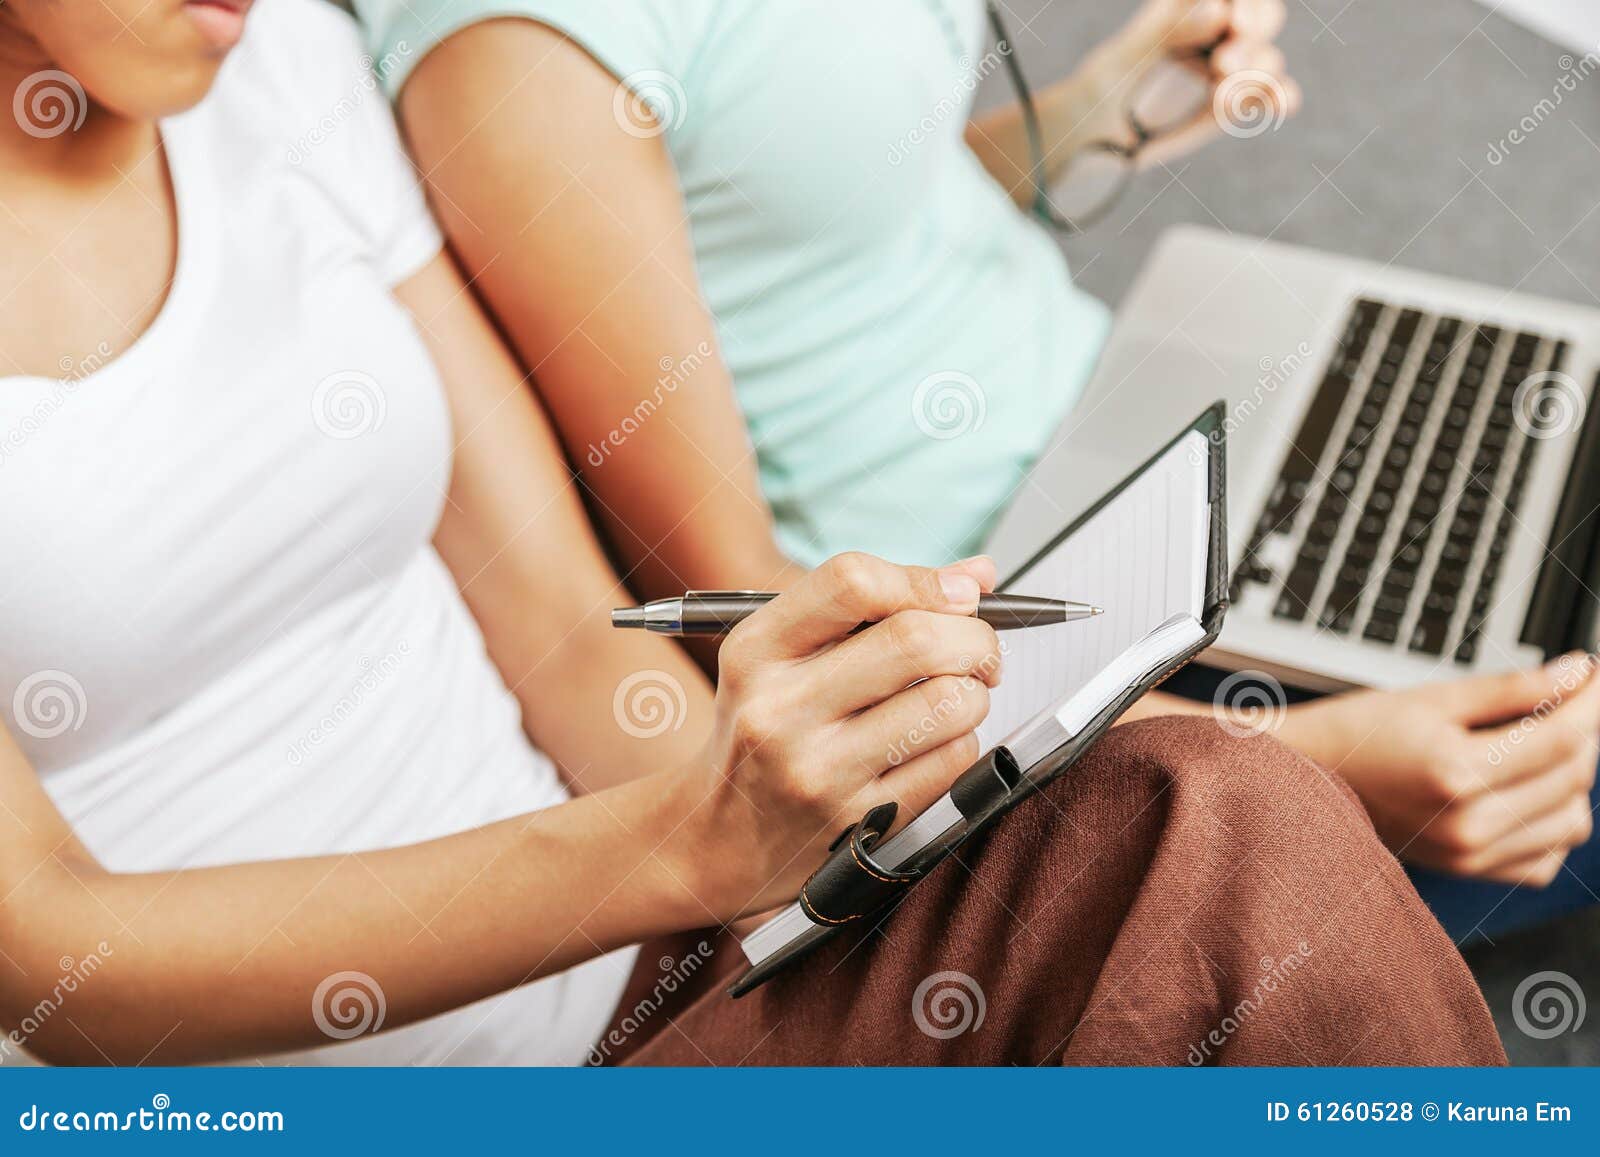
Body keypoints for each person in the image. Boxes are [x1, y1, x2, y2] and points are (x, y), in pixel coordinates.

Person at [0, 0, 1503, 1066]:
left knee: (1205, 817)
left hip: (649, 947)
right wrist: (687, 847)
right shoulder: (493, 52)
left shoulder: (277, 71)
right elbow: (65, 979)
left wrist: (829, 821)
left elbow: (555, 626)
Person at [355, 0, 1598, 934]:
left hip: (1149, 412)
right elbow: (760, 608)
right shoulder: (514, 51)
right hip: (1024, 627)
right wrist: (1318, 764)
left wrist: (1107, 103)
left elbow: (841, 223)